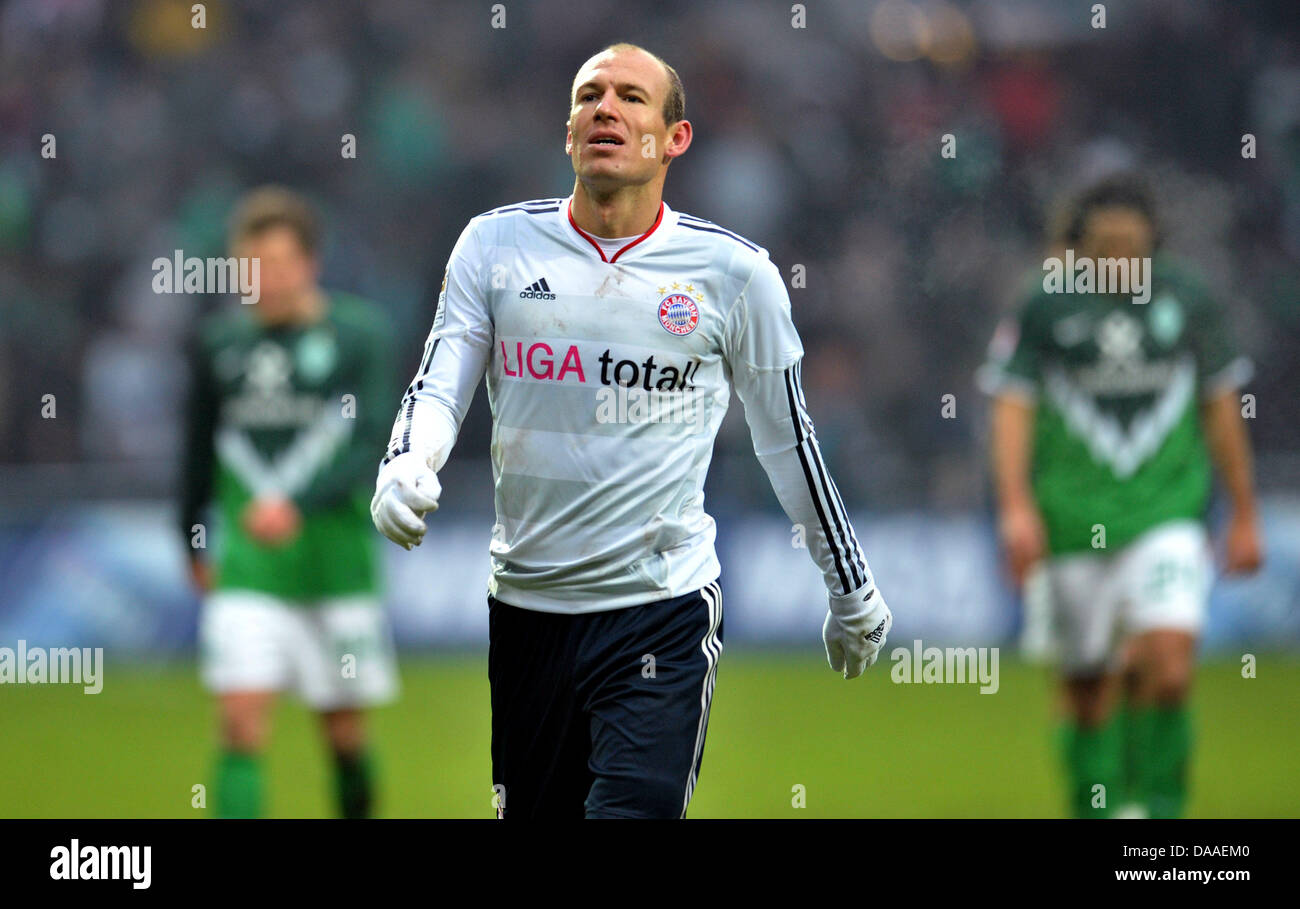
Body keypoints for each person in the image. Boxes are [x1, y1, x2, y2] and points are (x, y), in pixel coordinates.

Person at [370, 43, 893, 819]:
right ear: (569, 131)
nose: (604, 108)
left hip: (659, 607)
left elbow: (788, 439)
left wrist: (849, 581)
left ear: (674, 138)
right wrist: (406, 461)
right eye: (588, 96)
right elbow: (439, 382)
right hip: (527, 607)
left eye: (630, 97)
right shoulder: (495, 245)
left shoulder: (733, 275)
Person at [980, 174, 1263, 818]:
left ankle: (1158, 823)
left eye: (1130, 244)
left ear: (1153, 244)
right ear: (1078, 248)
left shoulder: (1188, 299)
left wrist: (1245, 513)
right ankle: (1100, 811)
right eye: (1104, 245)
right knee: (1087, 686)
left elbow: (1221, 407)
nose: (1118, 258)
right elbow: (1012, 408)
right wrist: (1017, 508)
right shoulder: (1045, 304)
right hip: (1073, 518)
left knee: (1167, 667)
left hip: (1167, 511)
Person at [180, 186, 399, 818]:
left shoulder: (360, 336)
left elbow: (369, 440)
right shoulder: (217, 345)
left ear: (310, 263)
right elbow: (195, 451)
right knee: (241, 724)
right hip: (249, 564)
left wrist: (298, 504)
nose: (263, 281)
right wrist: (188, 536)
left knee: (345, 735)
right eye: (250, 266)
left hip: (336, 564)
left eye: (276, 264)